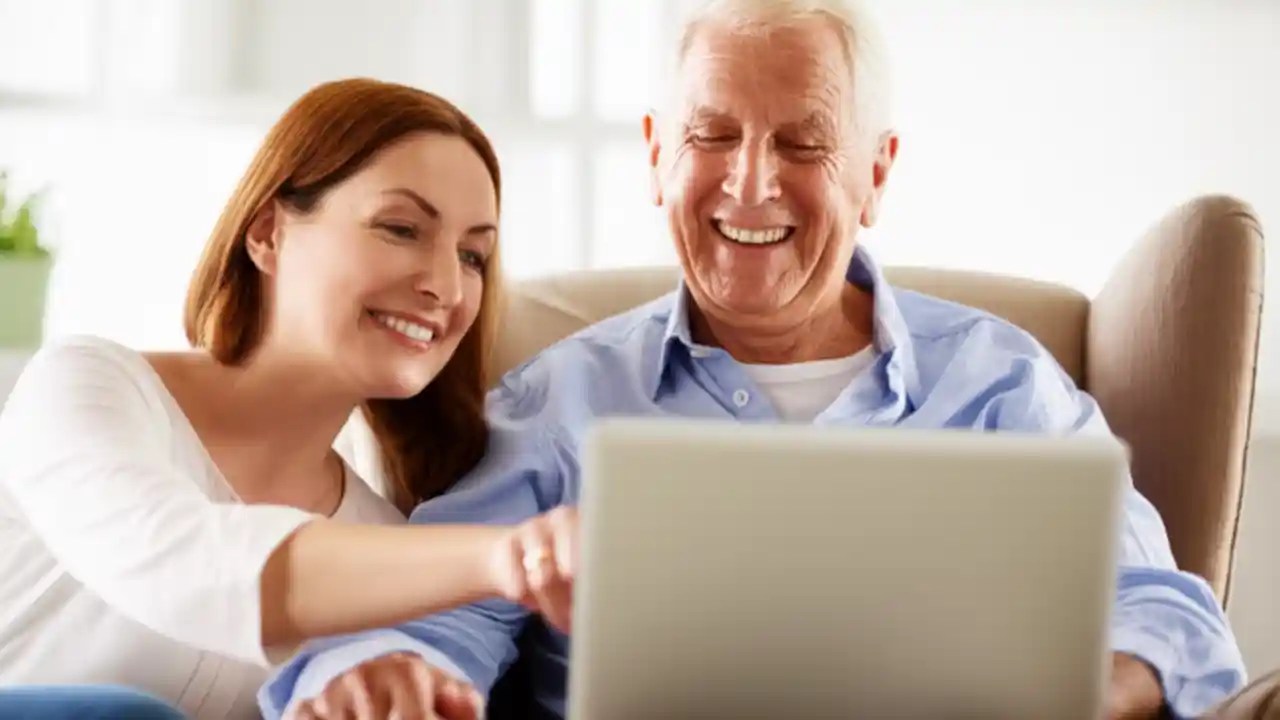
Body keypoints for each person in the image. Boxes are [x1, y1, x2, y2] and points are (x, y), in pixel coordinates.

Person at [261, 4, 1260, 720]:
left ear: (874, 173)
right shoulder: (560, 398)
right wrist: (382, 673)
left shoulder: (1000, 383)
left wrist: (1098, 687)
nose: (748, 182)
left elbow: (1159, 604)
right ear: (657, 156)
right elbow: (430, 608)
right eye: (710, 134)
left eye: (802, 141)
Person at [0, 78, 574, 720]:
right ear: (269, 233)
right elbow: (190, 566)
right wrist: (509, 554)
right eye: (401, 228)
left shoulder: (377, 542)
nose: (445, 284)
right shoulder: (86, 386)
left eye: (473, 255)